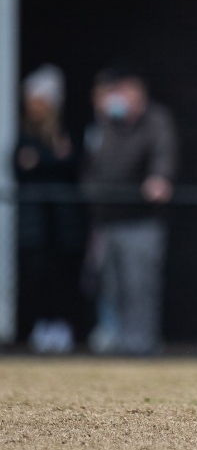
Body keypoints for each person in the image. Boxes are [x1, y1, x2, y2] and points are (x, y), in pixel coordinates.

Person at [80, 64, 178, 355]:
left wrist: (159, 179)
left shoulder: (156, 121)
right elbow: (93, 168)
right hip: (106, 220)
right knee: (110, 286)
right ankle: (115, 344)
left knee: (140, 286)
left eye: (123, 90)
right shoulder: (105, 125)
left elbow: (164, 157)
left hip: (141, 220)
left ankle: (142, 346)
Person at [13, 64, 83, 354]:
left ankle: (61, 327)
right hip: (35, 225)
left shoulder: (65, 132)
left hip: (62, 225)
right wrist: (52, 159)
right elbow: (20, 164)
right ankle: (40, 326)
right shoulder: (25, 134)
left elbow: (70, 164)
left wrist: (40, 160)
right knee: (36, 276)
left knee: (61, 276)